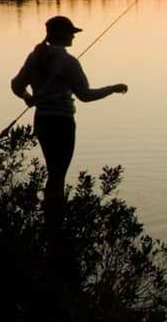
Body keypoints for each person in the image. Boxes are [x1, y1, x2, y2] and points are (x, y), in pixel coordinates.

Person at [11, 14, 128, 236]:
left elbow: (16, 85)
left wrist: (28, 97)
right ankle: (55, 222)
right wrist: (113, 89)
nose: (74, 37)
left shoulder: (34, 57)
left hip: (42, 121)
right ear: (62, 35)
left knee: (53, 171)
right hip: (62, 124)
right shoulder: (68, 62)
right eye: (71, 33)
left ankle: (51, 222)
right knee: (58, 174)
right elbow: (85, 95)